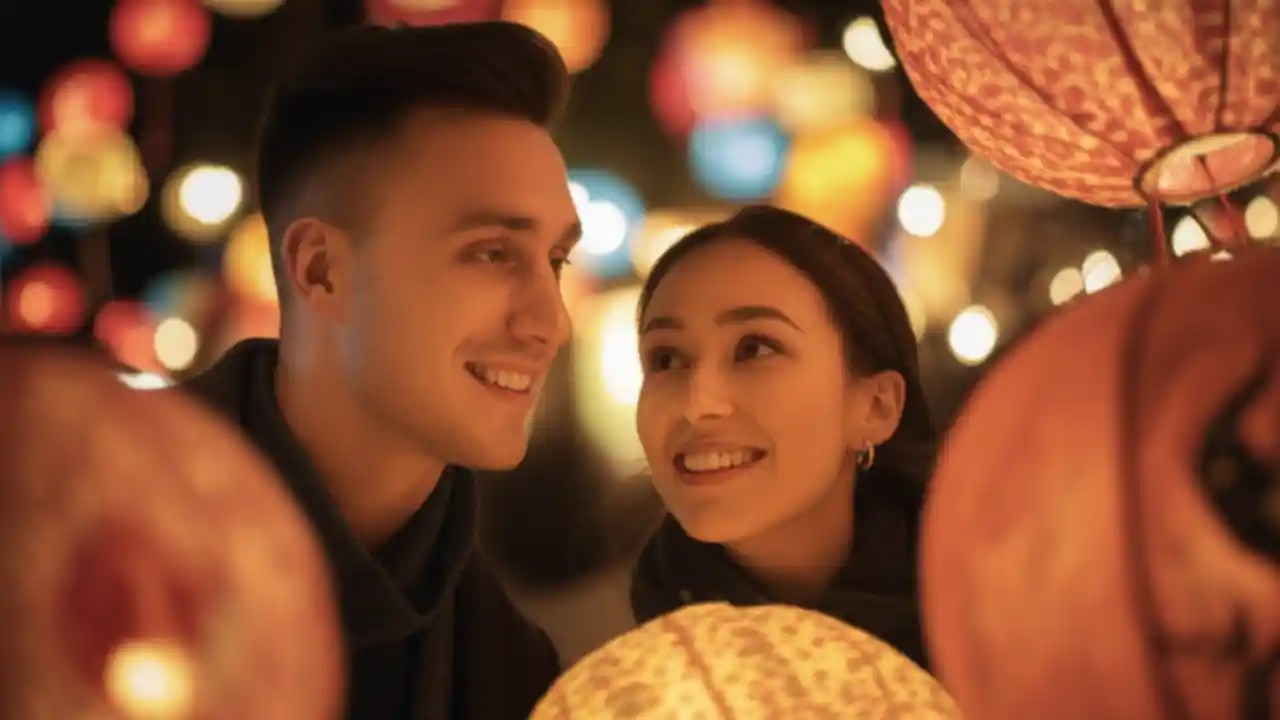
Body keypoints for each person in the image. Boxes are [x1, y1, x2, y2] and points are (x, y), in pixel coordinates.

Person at [178, 21, 582, 720]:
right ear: (323, 270)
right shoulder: (76, 542)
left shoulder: (511, 670)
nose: (550, 322)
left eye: (556, 261)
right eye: (491, 253)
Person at [629, 205, 937, 668]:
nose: (698, 403)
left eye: (754, 348)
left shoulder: (995, 644)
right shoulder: (620, 683)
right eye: (667, 359)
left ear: (875, 407)